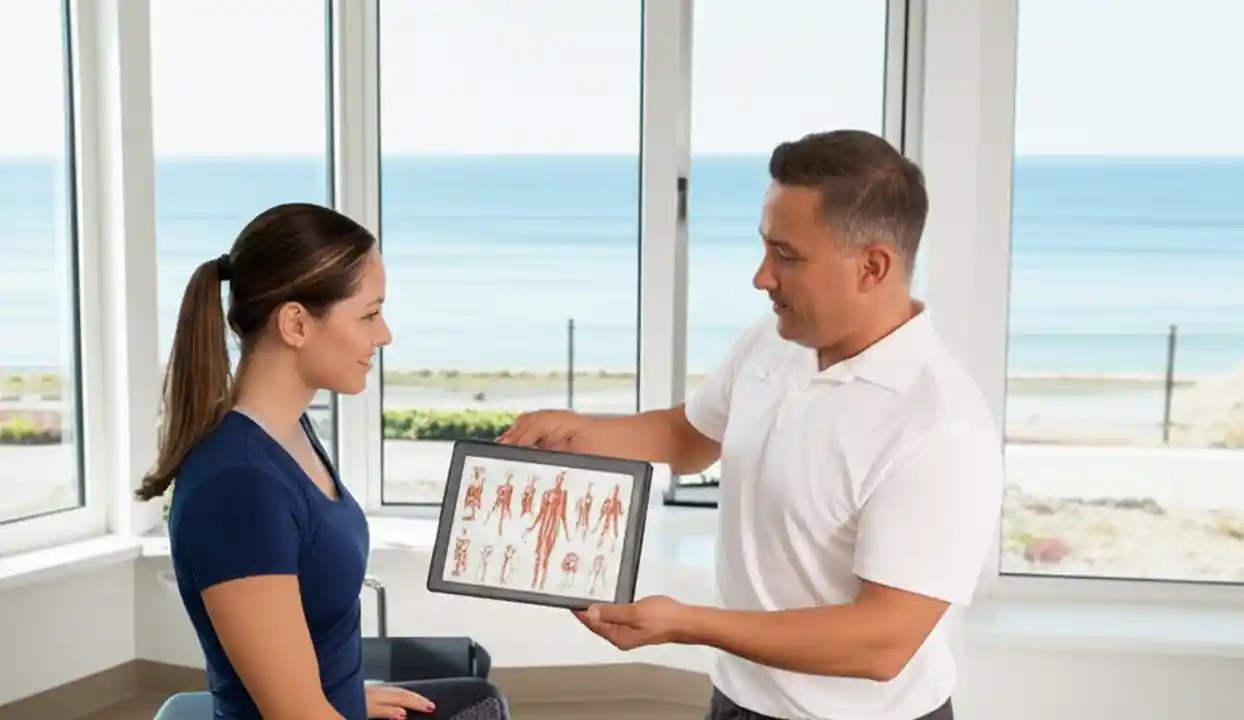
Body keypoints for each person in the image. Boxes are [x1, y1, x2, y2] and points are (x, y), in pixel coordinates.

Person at [498, 130, 1003, 720]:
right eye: (766, 249)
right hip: (738, 701)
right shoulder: (776, 340)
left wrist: (688, 624)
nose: (762, 277)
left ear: (872, 266)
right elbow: (690, 439)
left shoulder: (940, 424)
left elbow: (883, 642)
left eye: (787, 256)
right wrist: (577, 431)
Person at [136, 203, 491, 719]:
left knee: (485, 703)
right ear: (296, 323)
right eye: (369, 314)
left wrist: (348, 696)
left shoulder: (291, 433)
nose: (384, 335)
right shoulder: (237, 488)